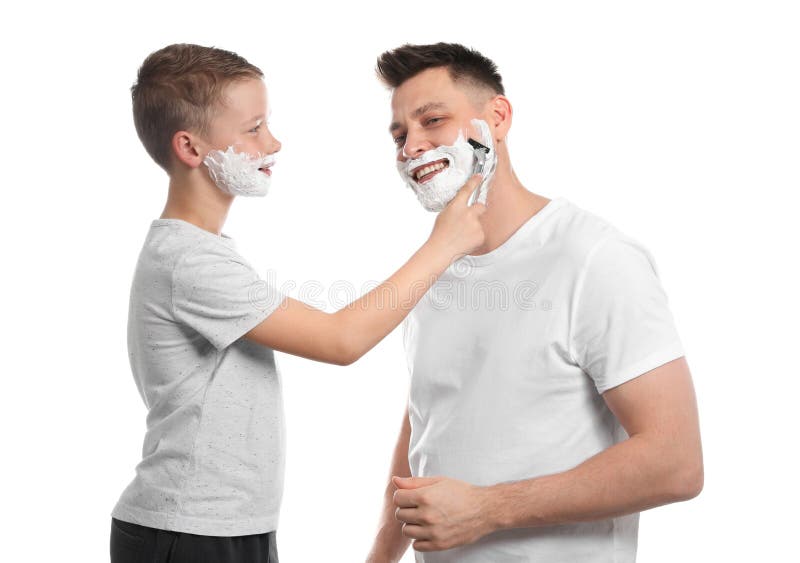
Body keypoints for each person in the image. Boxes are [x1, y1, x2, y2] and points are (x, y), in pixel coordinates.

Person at [110, 43, 486, 563]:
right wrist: (443, 244)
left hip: (225, 525)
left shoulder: (203, 250)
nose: (273, 142)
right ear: (191, 149)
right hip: (190, 531)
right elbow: (340, 340)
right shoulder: (189, 262)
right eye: (254, 128)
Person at [367, 42, 703, 563]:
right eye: (398, 136)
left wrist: (487, 508)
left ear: (496, 117)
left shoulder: (593, 258)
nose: (412, 146)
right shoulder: (433, 267)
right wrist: (380, 557)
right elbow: (428, 420)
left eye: (432, 120)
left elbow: (675, 461)